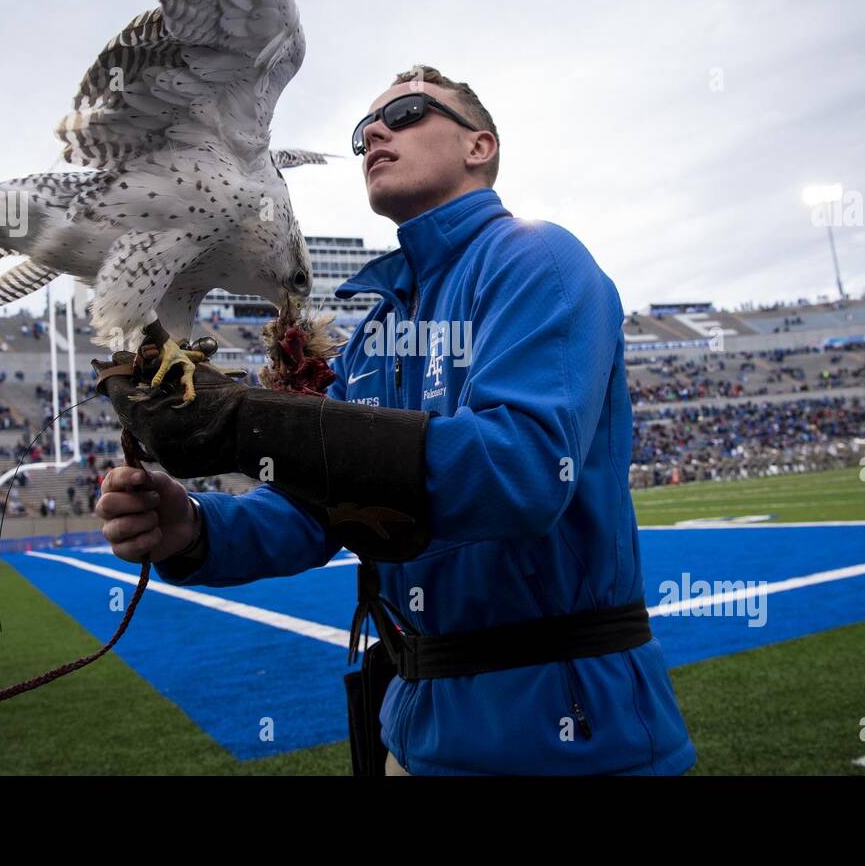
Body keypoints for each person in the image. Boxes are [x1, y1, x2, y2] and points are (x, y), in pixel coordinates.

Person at [96, 65, 696, 776]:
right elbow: (318, 512)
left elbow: (523, 472)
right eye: (364, 129)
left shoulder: (539, 258)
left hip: (565, 731)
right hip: (411, 732)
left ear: (481, 146)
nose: (375, 132)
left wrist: (249, 424)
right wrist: (192, 528)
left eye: (407, 112)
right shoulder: (378, 327)